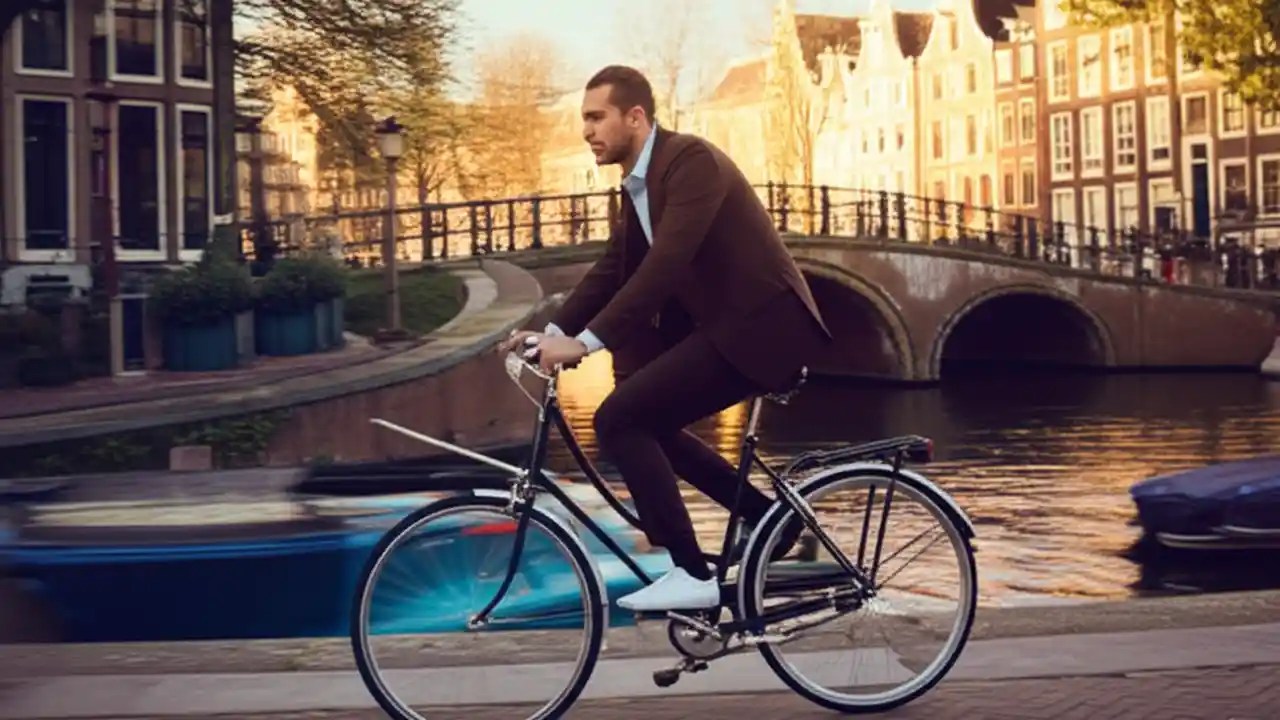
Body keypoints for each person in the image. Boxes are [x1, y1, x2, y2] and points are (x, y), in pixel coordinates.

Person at [499, 65, 832, 612]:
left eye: (595, 117)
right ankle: (771, 517)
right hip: (726, 330)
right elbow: (614, 270)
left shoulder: (690, 164)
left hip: (762, 328)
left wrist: (586, 345)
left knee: (618, 418)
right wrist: (552, 331)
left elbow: (665, 267)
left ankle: (690, 573)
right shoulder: (638, 187)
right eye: (583, 119)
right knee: (645, 422)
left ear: (636, 117)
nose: (586, 131)